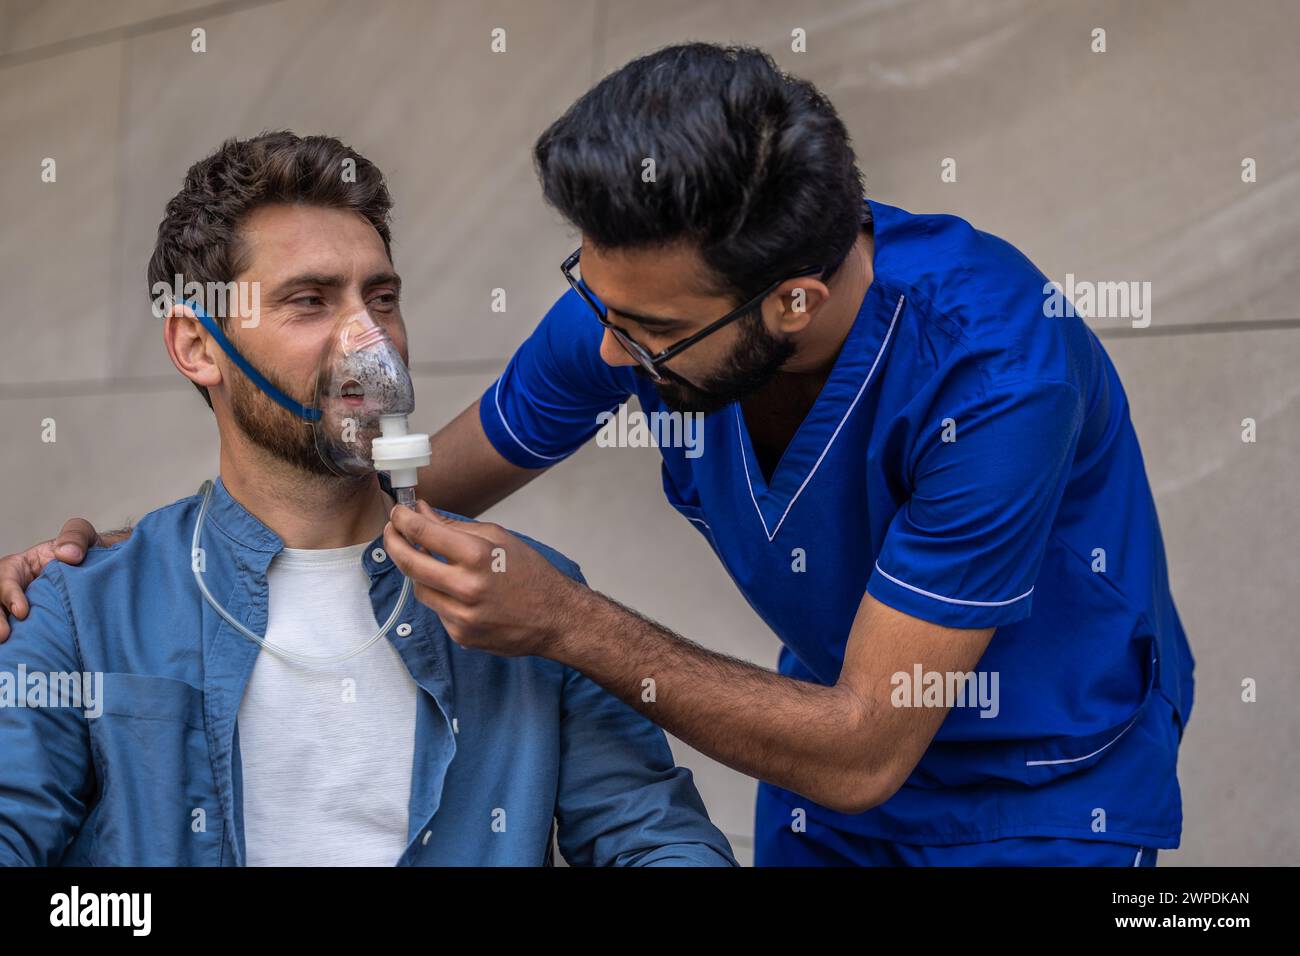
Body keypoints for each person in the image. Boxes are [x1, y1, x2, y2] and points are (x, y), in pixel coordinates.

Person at [3, 45, 1193, 867]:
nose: (603, 351)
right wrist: (126, 561)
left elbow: (862, 746)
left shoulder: (995, 375)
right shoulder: (638, 293)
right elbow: (403, 475)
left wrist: (571, 624)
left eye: (650, 333)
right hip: (820, 781)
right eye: (594, 298)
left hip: (1033, 789)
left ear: (786, 305)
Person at [0, 131, 736, 868]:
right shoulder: (78, 611)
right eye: (310, 301)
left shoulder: (531, 603)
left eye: (381, 299)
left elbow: (662, 843)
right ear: (198, 346)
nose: (370, 342)